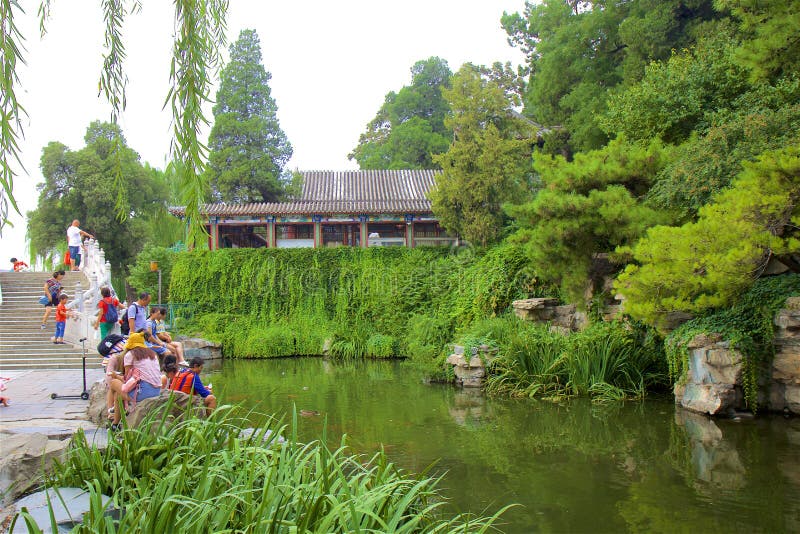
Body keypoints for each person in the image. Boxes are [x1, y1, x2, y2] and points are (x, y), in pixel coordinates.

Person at [108, 331, 163, 431]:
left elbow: (127, 380)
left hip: (142, 393)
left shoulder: (130, 354)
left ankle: (110, 410)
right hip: (157, 391)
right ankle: (115, 424)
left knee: (113, 383)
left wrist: (115, 375)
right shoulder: (153, 354)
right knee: (118, 395)